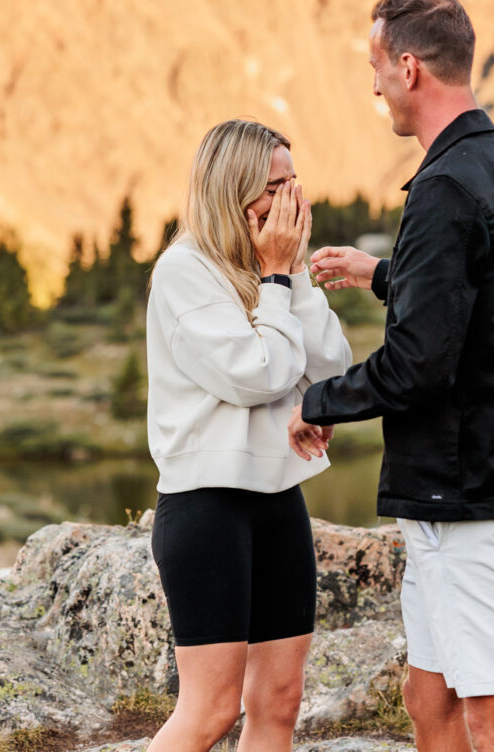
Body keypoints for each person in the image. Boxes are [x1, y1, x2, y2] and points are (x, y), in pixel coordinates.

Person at [289, 0, 494, 752]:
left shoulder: (444, 187)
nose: (373, 87)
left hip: (469, 496)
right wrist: (385, 275)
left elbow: (417, 366)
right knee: (429, 698)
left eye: (375, 68)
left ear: (408, 66)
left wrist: (320, 400)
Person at [144, 118, 353, 752]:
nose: (291, 199)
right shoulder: (185, 271)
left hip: (277, 498)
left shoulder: (275, 272)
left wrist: (293, 277)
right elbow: (259, 376)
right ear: (233, 192)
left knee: (280, 702)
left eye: (294, 182)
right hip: (207, 506)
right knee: (210, 710)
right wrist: (275, 278)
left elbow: (331, 367)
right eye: (273, 186)